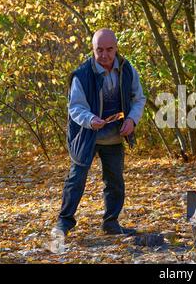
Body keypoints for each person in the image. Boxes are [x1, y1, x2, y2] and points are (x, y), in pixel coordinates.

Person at [52, 28, 146, 236]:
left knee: (115, 182)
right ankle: (64, 223)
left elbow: (138, 99)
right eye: (99, 50)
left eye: (109, 50)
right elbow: (75, 107)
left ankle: (111, 222)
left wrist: (132, 120)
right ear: (93, 49)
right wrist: (90, 120)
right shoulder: (82, 74)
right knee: (76, 180)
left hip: (115, 136)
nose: (104, 55)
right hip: (86, 136)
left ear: (116, 48)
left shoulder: (127, 69)